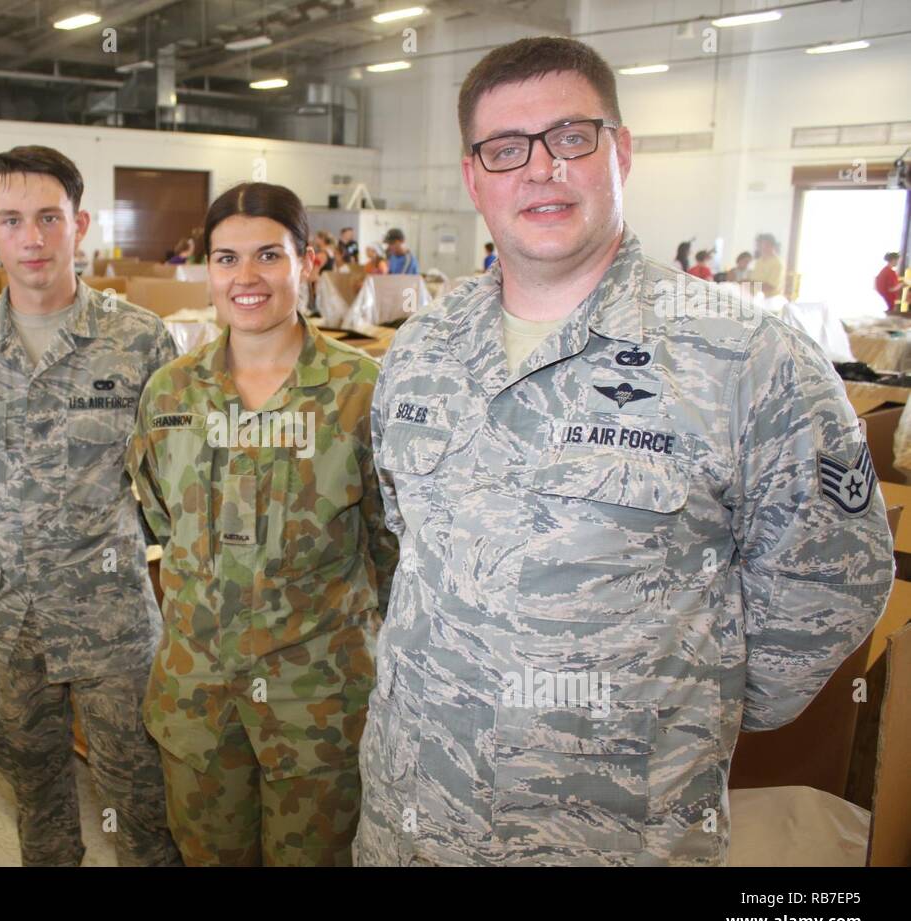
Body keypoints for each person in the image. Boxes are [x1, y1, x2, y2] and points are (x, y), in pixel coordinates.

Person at [354, 35, 893, 868]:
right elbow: (403, 536)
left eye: (570, 137)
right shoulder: (422, 348)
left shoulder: (748, 358)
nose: (540, 169)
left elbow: (831, 585)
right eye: (506, 150)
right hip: (416, 810)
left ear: (621, 151)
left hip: (612, 831)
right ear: (474, 178)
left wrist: (677, 711)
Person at [0, 146, 181, 867]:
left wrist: (119, 535)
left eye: (48, 218)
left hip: (112, 621)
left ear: (80, 224)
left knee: (146, 800)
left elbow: (173, 469)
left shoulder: (138, 341)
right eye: (13, 220)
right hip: (5, 622)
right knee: (34, 797)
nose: (32, 238)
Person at [127, 181, 398, 866]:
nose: (246, 278)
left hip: (318, 706)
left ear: (306, 262)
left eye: (269, 255)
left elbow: (391, 545)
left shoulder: (360, 392)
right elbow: (159, 517)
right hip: (199, 703)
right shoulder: (170, 392)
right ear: (206, 269)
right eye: (226, 259)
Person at [750, 232, 786, 298]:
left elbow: (771, 287)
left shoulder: (777, 263)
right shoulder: (759, 261)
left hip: (770, 299)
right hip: (756, 296)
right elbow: (754, 280)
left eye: (762, 244)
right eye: (758, 245)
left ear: (771, 245)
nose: (759, 247)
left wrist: (749, 285)